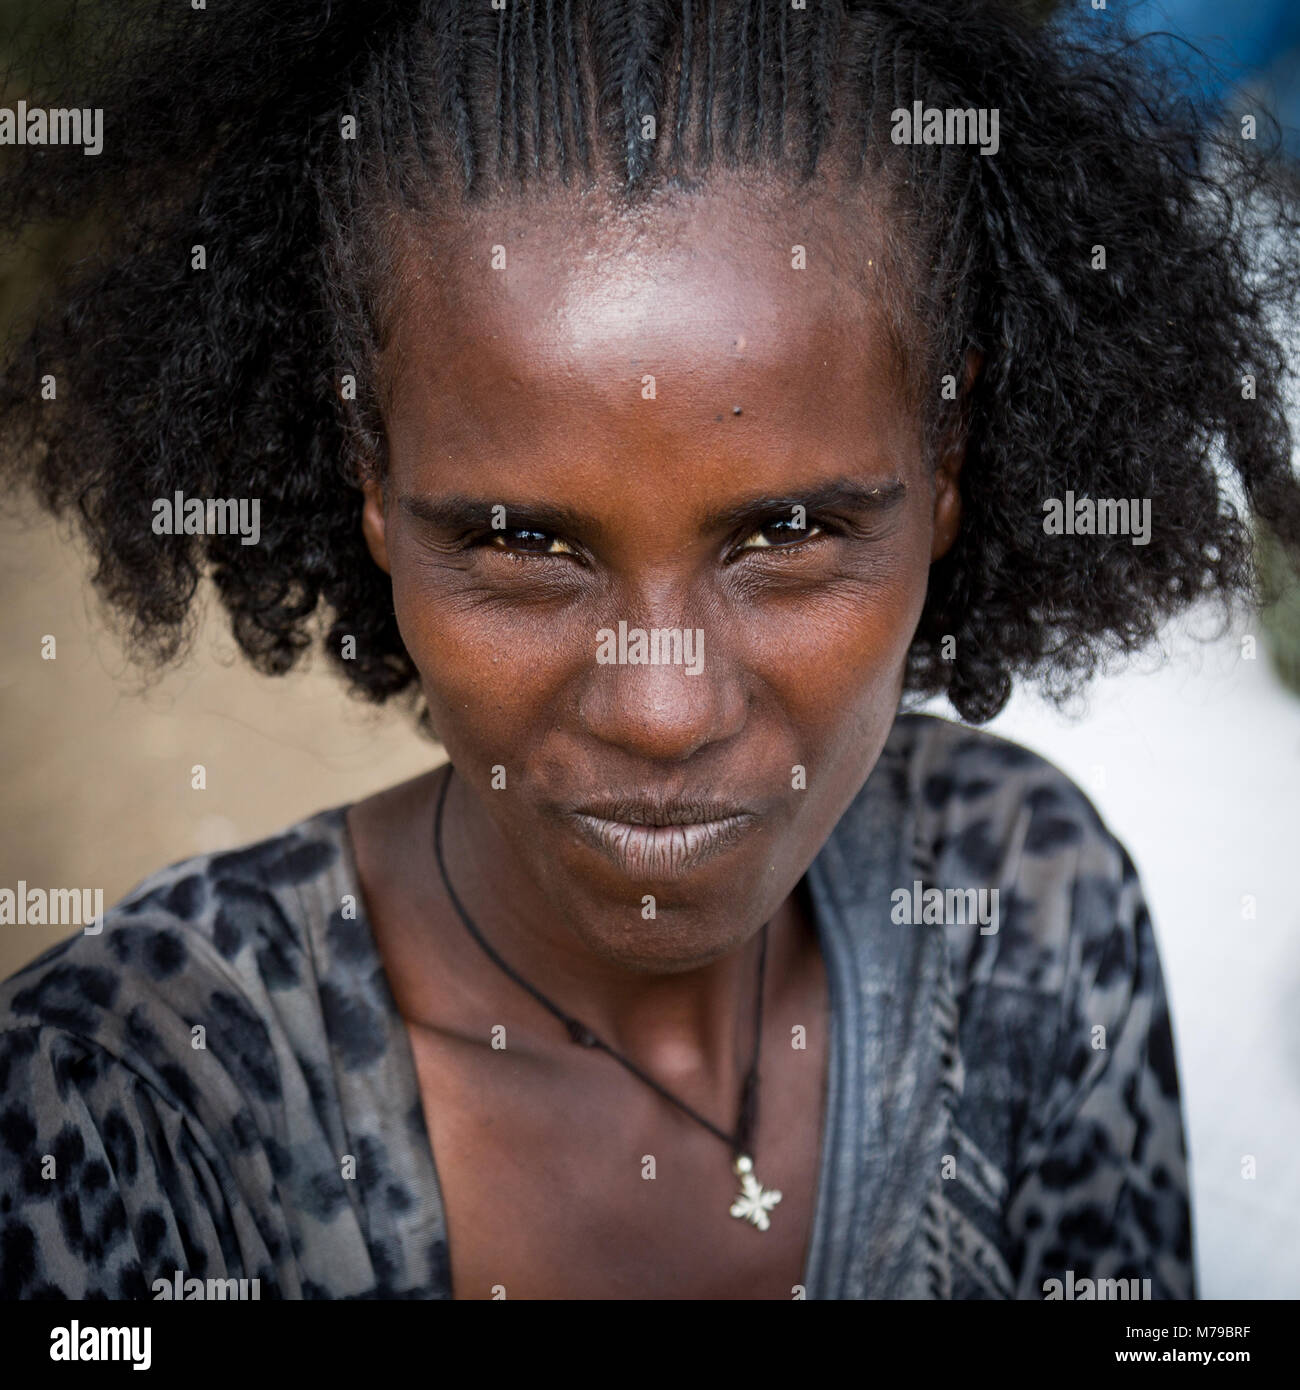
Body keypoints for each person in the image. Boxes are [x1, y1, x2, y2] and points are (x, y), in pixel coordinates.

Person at [2, 0, 1297, 1301]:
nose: (664, 708)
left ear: (945, 465)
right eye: (523, 542)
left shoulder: (1026, 904)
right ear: (372, 481)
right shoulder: (118, 1108)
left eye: (787, 530)